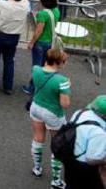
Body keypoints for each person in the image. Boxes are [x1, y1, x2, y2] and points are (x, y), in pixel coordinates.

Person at [29, 48, 71, 188]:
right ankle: (56, 181)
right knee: (57, 145)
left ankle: (37, 168)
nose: (64, 65)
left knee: (38, 137)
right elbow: (65, 104)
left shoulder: (36, 70)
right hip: (53, 114)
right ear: (58, 63)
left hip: (35, 108)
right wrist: (67, 87)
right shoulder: (62, 81)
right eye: (64, 62)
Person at [63, 95, 106, 189]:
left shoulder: (80, 113)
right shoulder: (99, 133)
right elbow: (92, 159)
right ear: (104, 115)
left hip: (70, 155)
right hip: (82, 166)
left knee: (70, 184)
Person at [24, 0, 59, 95]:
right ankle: (43, 86)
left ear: (44, 2)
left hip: (40, 43)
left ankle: (32, 88)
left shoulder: (42, 14)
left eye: (40, 0)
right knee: (45, 66)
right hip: (50, 42)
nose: (38, 2)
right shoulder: (56, 11)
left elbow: (39, 31)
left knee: (37, 67)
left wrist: (31, 42)